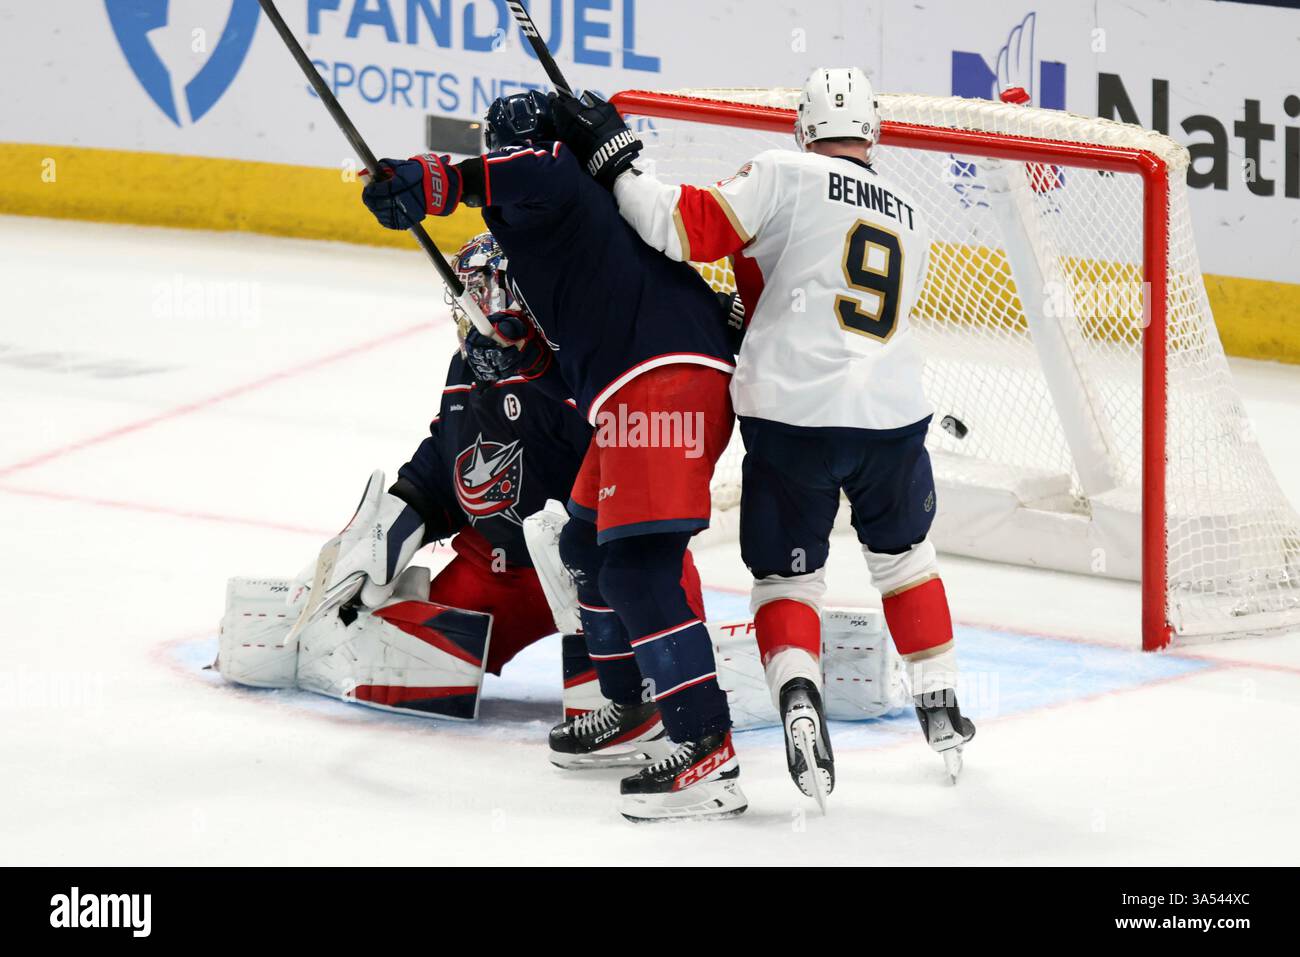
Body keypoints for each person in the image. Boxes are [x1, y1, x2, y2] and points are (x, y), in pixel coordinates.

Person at [556, 68, 978, 801]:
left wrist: (617, 158)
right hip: (891, 414)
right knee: (907, 560)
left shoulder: (784, 172)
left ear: (803, 128)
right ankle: (940, 702)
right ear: (871, 131)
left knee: (788, 577)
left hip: (792, 417)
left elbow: (680, 226)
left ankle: (798, 699)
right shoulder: (910, 209)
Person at [357, 92, 745, 822]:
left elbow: (515, 172)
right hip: (644, 382)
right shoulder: (600, 214)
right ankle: (631, 706)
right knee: (584, 539)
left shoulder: (557, 180)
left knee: (636, 564)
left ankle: (707, 749)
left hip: (661, 381)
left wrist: (428, 178)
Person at [219, 233, 597, 718]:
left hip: (592, 572)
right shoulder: (464, 370)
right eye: (465, 294)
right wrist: (396, 520)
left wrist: (593, 554)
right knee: (385, 663)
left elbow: (622, 471)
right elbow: (447, 460)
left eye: (480, 291)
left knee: (642, 675)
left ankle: (663, 652)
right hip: (495, 573)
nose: (468, 307)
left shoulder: (573, 370)